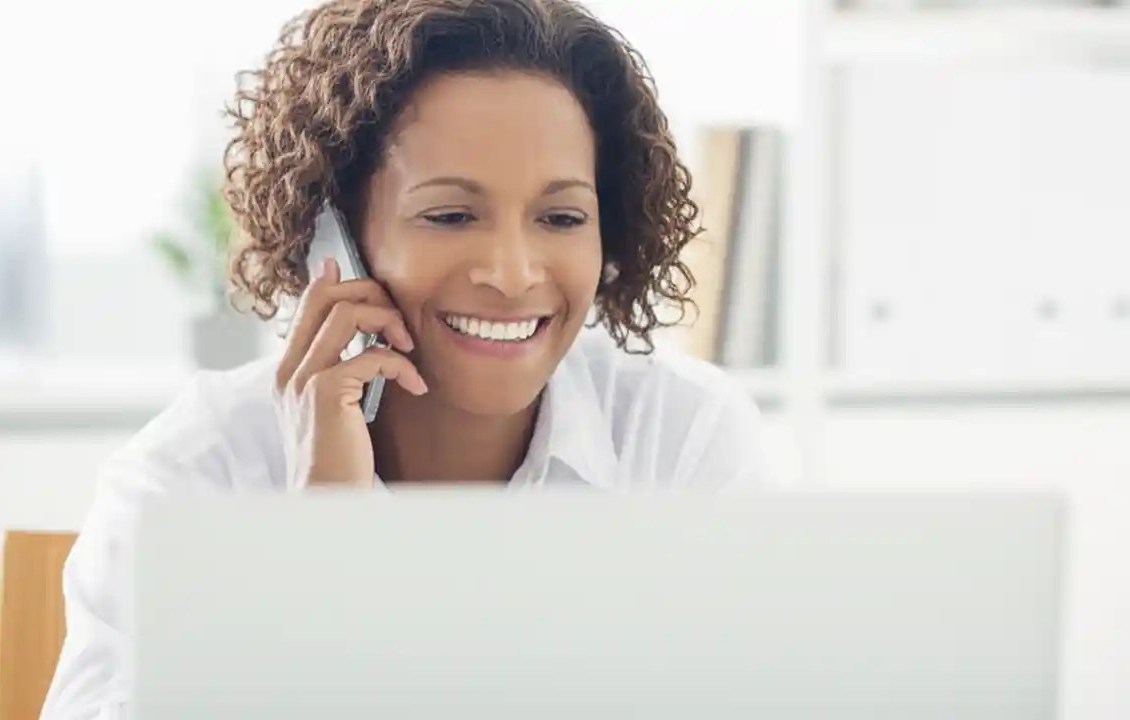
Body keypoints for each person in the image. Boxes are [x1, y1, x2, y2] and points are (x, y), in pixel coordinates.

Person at [41, 0, 773, 716]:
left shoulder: (680, 440)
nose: (514, 273)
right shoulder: (199, 469)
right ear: (334, 235)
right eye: (450, 215)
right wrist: (320, 551)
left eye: (561, 218)